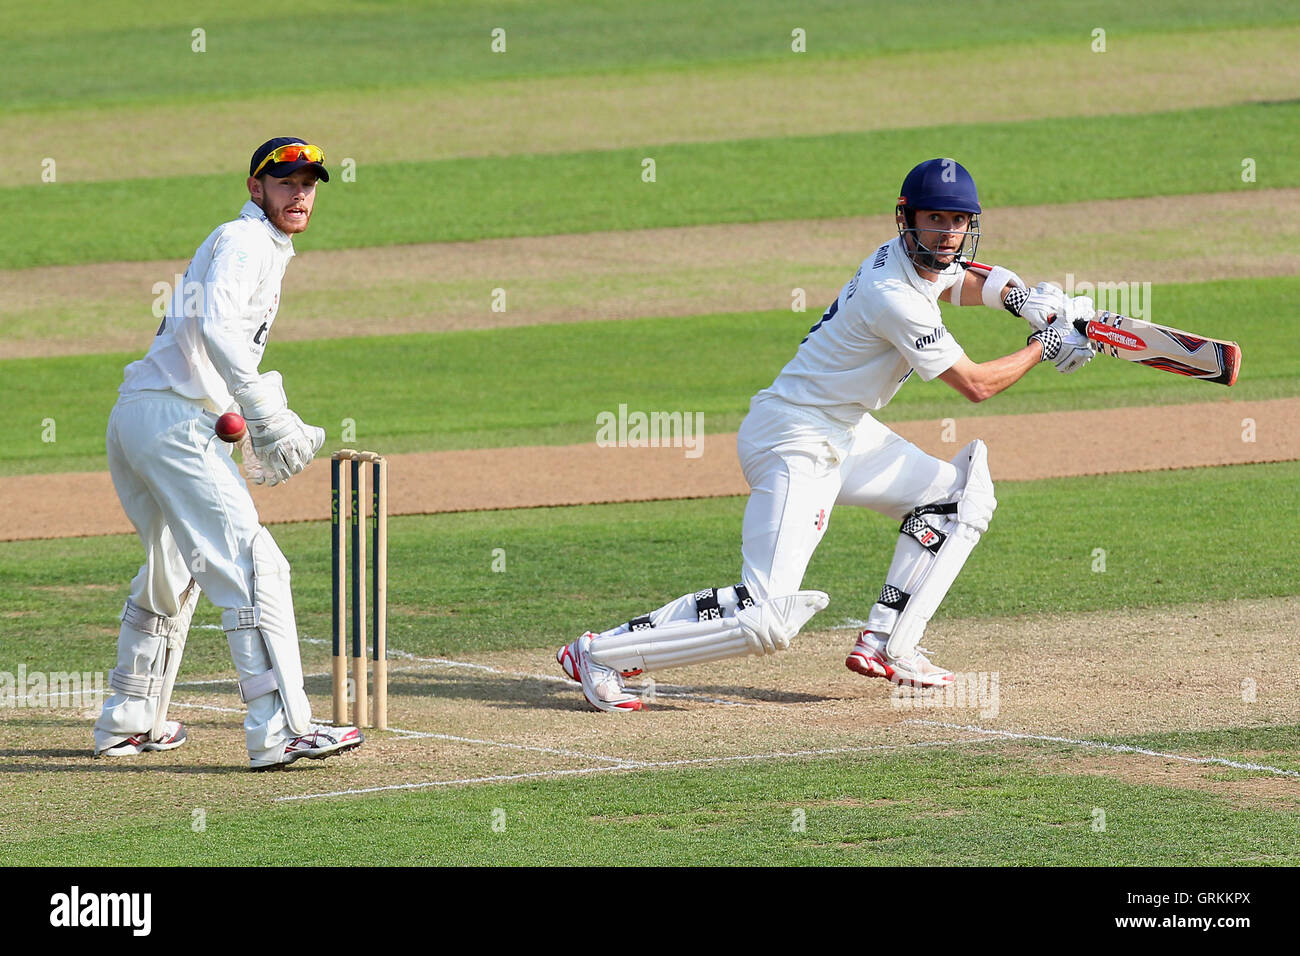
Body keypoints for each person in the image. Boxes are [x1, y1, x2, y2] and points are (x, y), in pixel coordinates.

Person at [557, 158, 1096, 712]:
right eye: (936, 219)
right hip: (795, 439)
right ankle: (602, 653)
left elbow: (967, 280)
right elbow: (977, 386)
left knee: (956, 498)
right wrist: (1049, 343)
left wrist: (1025, 302)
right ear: (905, 218)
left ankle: (889, 642)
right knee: (765, 616)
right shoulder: (895, 295)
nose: (947, 233)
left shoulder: (920, 261)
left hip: (845, 432)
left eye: (958, 221)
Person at [93, 137, 364, 769]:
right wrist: (267, 411)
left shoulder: (256, 247)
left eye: (309, 183)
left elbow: (209, 336)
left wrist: (233, 415)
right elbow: (216, 329)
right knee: (254, 565)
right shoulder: (244, 241)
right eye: (285, 182)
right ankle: (280, 729)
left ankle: (128, 721)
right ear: (256, 188)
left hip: (143, 416)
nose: (299, 193)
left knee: (173, 568)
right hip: (174, 420)